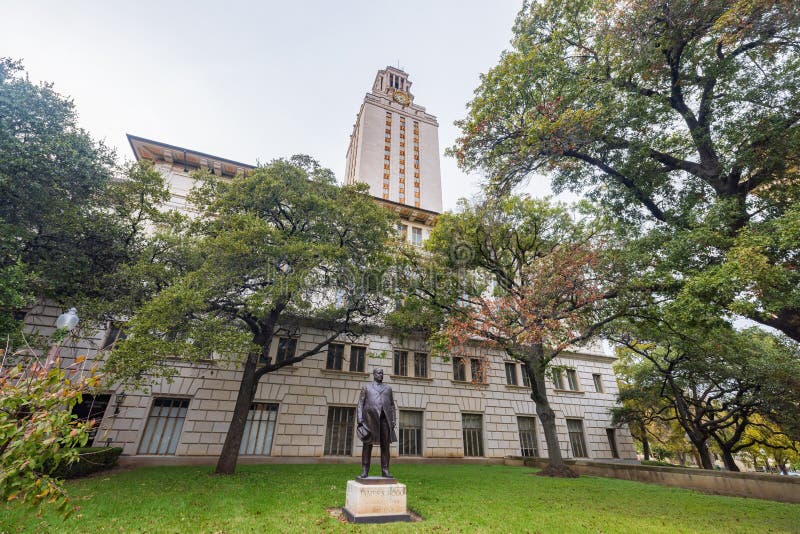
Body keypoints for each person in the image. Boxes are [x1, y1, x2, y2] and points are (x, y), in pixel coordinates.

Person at [356, 367, 397, 478]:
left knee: (385, 446)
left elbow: (392, 406)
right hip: (369, 421)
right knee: (367, 445)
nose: (381, 375)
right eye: (379, 373)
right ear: (374, 374)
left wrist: (393, 420)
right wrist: (360, 420)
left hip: (385, 421)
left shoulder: (388, 388)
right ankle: (365, 470)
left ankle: (385, 470)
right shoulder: (366, 387)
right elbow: (360, 404)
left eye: (382, 373)